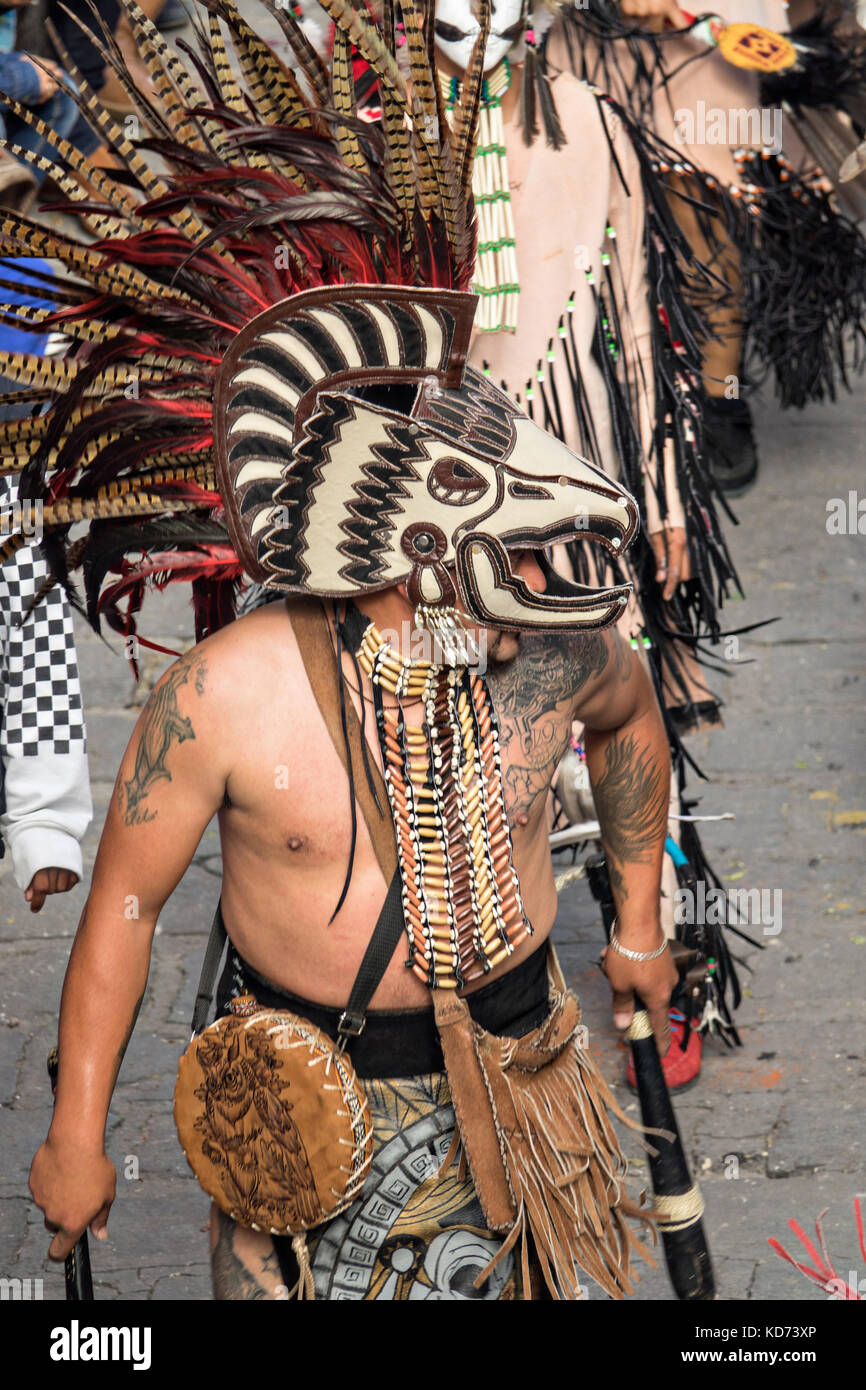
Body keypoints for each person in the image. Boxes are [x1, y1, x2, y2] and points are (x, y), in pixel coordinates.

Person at [17, 0, 682, 1301]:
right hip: (300, 1128)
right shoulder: (222, 692)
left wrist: (643, 923)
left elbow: (633, 718)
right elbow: (129, 904)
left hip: (522, 1091)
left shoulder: (541, 640)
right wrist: (74, 1132)